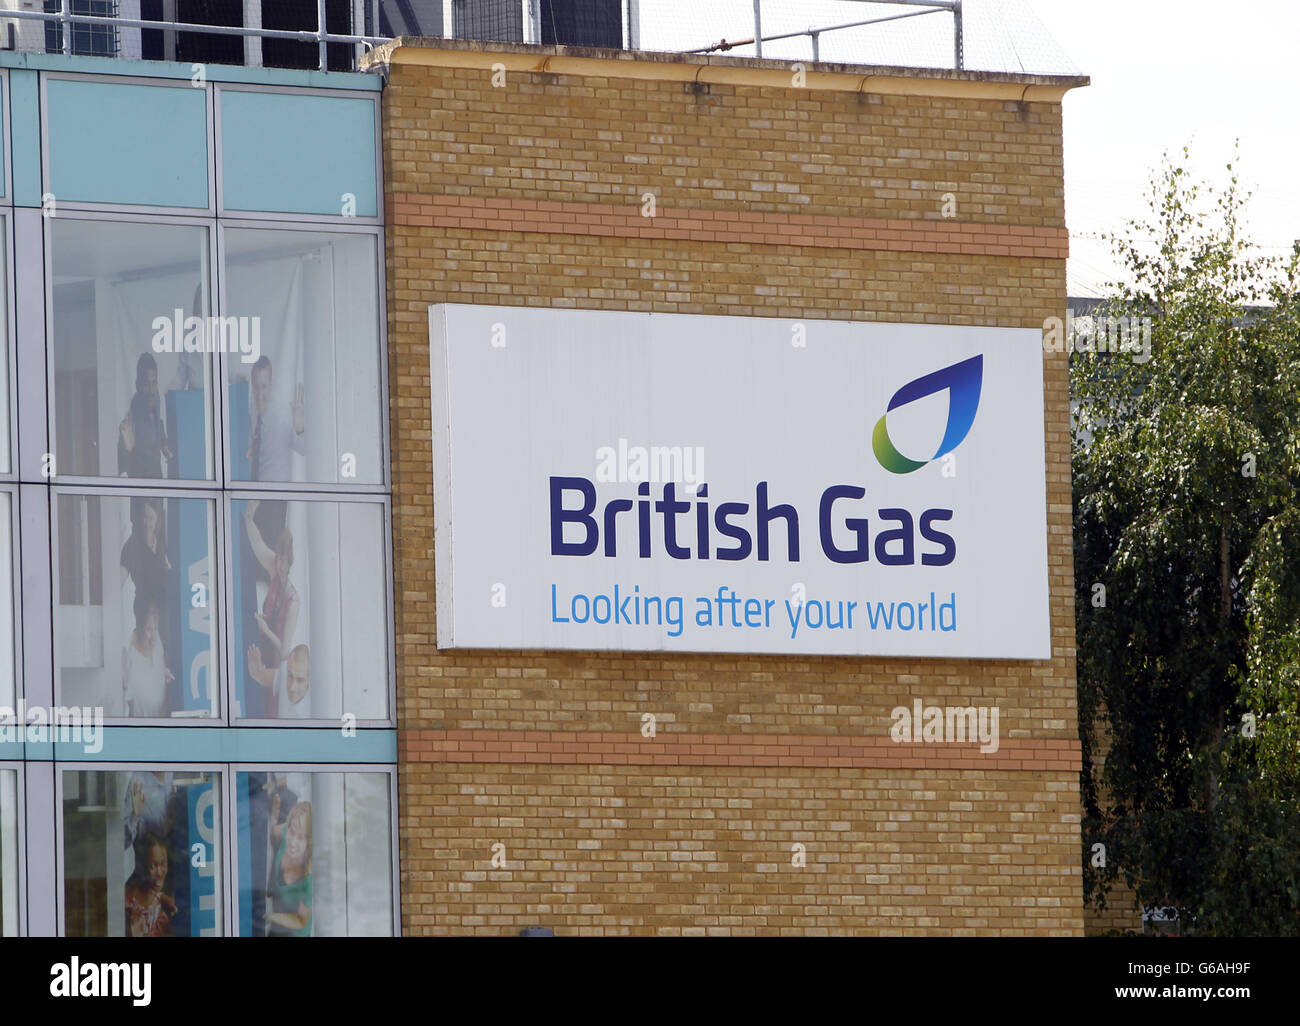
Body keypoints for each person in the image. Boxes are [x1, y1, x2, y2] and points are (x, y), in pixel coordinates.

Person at [244, 499, 300, 670]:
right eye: (279, 559)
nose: (281, 566)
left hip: (273, 667)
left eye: (284, 562)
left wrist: (266, 629)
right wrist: (248, 519)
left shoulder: (293, 602)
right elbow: (257, 543)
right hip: (258, 648)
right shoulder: (275, 567)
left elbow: (284, 651)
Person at [245, 356, 306, 484]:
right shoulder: (249, 414)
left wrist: (299, 427)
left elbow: (304, 449)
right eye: (256, 387)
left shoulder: (282, 417)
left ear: (271, 385)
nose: (260, 394)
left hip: (273, 496)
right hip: (250, 496)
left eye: (264, 387)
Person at [118, 353, 173, 479]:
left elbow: (159, 433)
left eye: (154, 383)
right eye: (147, 384)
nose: (151, 389)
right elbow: (123, 453)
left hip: (157, 485)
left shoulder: (155, 414)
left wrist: (166, 449)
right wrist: (124, 473)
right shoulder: (129, 423)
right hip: (141, 487)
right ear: (138, 385)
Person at [266, 798, 313, 937]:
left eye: (301, 837)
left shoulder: (309, 880)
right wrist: (274, 817)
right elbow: (273, 835)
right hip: (276, 916)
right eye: (292, 832)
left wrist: (271, 917)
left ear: (309, 841)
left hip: (294, 932)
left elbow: (301, 921)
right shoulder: (286, 831)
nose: (293, 842)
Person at [122, 596, 173, 718]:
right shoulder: (128, 653)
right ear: (139, 628)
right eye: (149, 629)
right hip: (140, 724)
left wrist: (165, 674)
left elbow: (162, 670)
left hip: (161, 720)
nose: (154, 636)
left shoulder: (157, 644)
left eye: (156, 628)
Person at [124, 833, 176, 937]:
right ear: (142, 866)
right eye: (153, 865)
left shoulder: (167, 903)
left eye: (163, 864)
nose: (160, 872)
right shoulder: (128, 903)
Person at [247, 643, 312, 719]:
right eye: (290, 676)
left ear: (309, 679)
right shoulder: (288, 670)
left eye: (300, 680)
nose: (292, 687)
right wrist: (255, 671)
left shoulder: (316, 711)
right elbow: (260, 675)